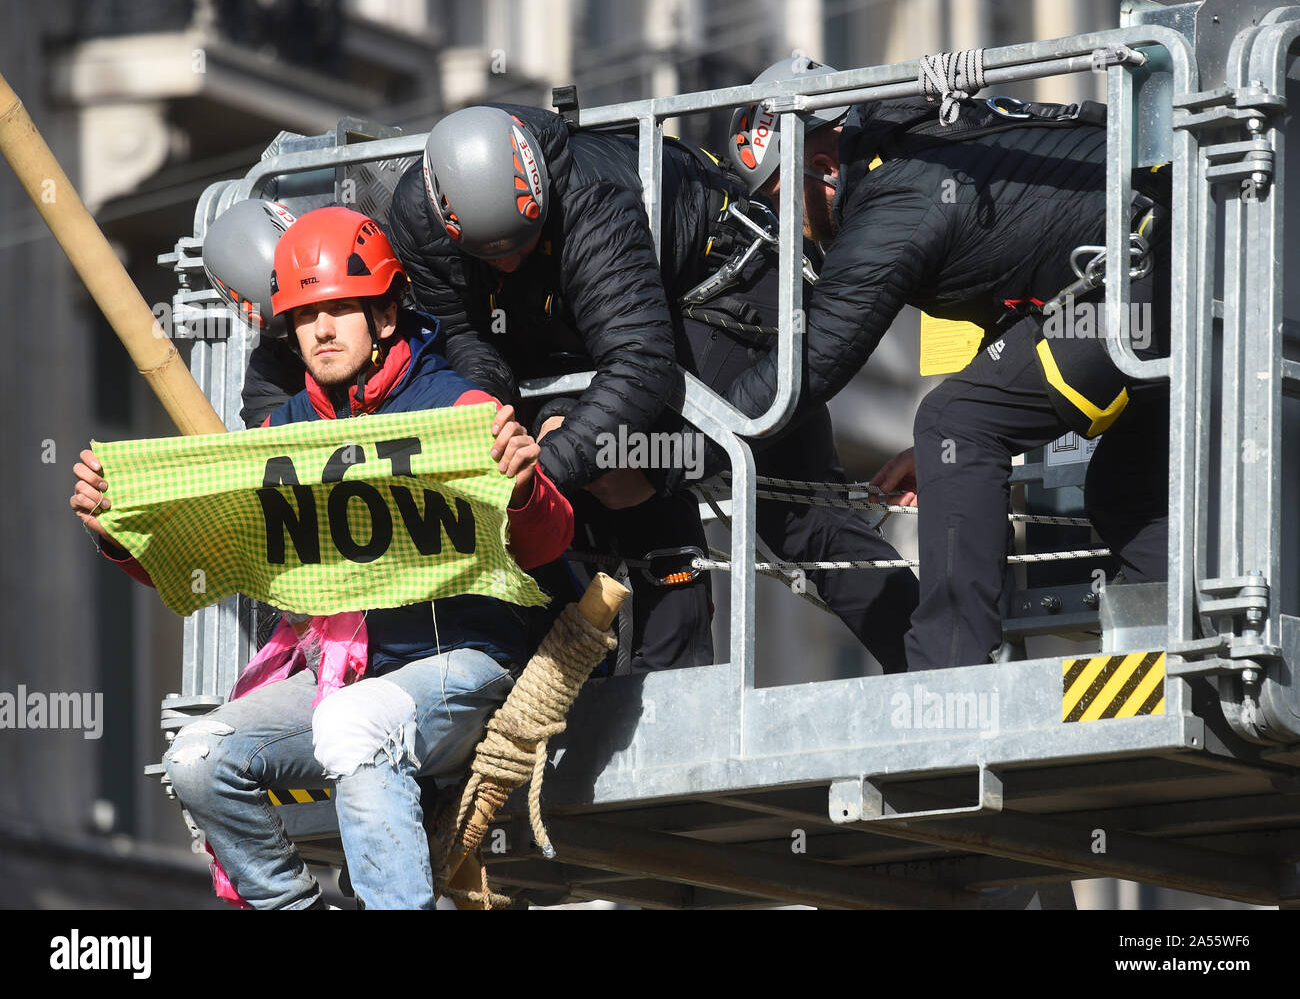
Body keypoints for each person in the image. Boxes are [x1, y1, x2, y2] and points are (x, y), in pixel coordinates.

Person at [70, 206, 573, 909]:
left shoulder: (459, 407)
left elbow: (548, 545)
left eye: (340, 309)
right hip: (347, 677)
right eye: (306, 316)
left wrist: (524, 489)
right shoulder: (281, 433)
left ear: (387, 316)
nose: (322, 330)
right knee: (195, 758)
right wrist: (117, 533)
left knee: (352, 721)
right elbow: (210, 559)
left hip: (464, 665)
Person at [385, 102, 920, 673]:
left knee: (760, 504)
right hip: (600, 331)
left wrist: (554, 464)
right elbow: (469, 338)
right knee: (594, 470)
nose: (513, 264)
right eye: (495, 256)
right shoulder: (417, 221)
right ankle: (616, 696)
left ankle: (934, 667)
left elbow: (639, 359)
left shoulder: (590, 200)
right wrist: (495, 419)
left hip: (729, 286)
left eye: (525, 242)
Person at [724, 57, 1170, 671]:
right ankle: (1174, 643)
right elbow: (1022, 281)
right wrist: (941, 462)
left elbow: (815, 357)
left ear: (824, 169)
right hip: (1172, 261)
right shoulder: (925, 143)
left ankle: (945, 673)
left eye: (781, 202)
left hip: (1144, 273)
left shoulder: (896, 197)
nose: (785, 229)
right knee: (1124, 490)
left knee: (954, 421)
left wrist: (695, 434)